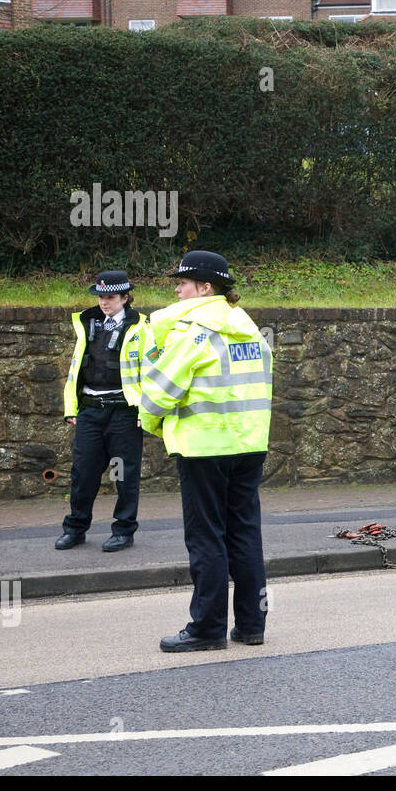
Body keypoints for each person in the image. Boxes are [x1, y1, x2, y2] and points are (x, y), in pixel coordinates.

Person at [138, 251, 273, 653]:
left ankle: (207, 629)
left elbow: (161, 389)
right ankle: (251, 625)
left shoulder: (193, 331)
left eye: (182, 283)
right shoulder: (247, 327)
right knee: (245, 533)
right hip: (248, 445)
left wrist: (149, 423)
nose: (176, 290)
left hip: (203, 448)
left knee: (206, 537)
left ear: (205, 287)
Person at [56, 270, 151, 553]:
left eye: (110, 297)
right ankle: (75, 528)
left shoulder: (142, 328)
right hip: (90, 410)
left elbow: (150, 372)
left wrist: (144, 411)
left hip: (124, 412)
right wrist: (71, 407)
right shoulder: (88, 323)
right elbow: (75, 369)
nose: (104, 302)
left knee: (124, 475)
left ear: (125, 297)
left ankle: (123, 531)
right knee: (82, 473)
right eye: (100, 297)